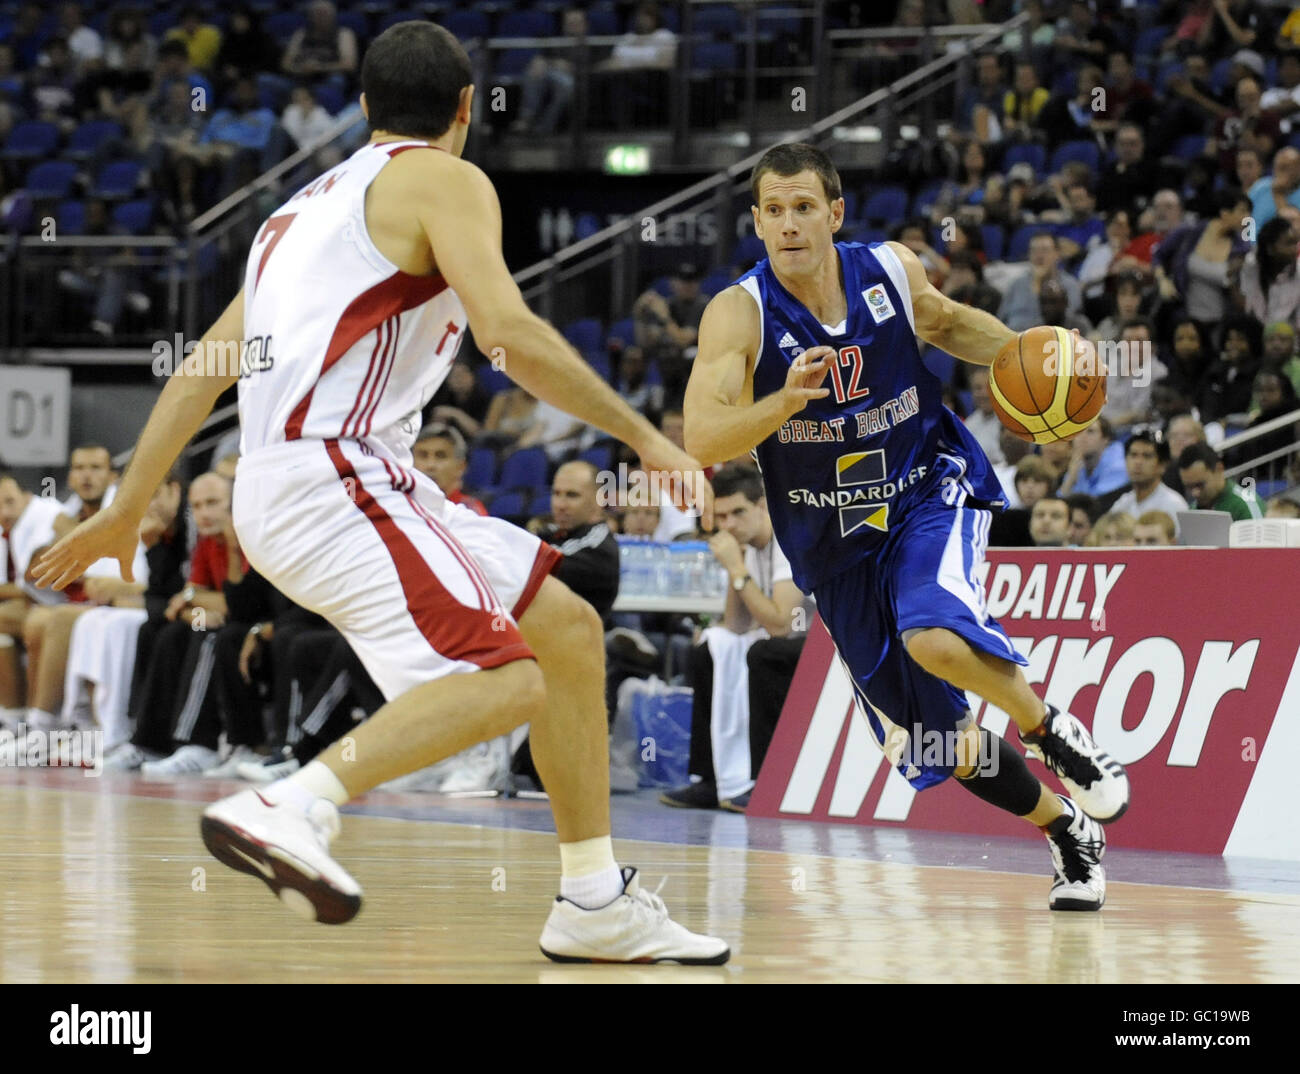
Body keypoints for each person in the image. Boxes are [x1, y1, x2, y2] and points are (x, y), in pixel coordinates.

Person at [37, 21, 724, 965]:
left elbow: (204, 368)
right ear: (467, 110)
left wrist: (126, 502)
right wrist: (645, 434)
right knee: (505, 675)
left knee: (561, 625)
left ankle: (593, 899)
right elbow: (509, 335)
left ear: (361, 108)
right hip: (334, 471)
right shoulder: (448, 178)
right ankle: (291, 803)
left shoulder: (292, 216)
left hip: (295, 480)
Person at [684, 142, 1129, 912]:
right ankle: (1067, 831)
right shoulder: (740, 312)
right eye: (774, 211)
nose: (789, 224)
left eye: (803, 207)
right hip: (832, 544)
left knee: (935, 634)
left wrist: (1038, 361)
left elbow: (950, 325)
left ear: (835, 213)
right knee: (941, 746)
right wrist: (780, 405)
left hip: (926, 485)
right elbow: (702, 436)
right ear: (756, 222)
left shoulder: (889, 267)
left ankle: (1051, 730)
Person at [659, 467, 806, 814]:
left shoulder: (788, 540)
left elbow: (782, 624)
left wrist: (738, 571)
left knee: (764, 652)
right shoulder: (750, 548)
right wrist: (734, 568)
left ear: (763, 507)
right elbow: (737, 625)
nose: (728, 525)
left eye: (737, 513)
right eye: (720, 517)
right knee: (711, 645)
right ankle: (711, 779)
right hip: (781, 644)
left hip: (821, 649)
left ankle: (765, 781)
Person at [997, 232, 1083, 332]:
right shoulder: (1016, 284)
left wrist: (1037, 285)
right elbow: (1000, 319)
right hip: (1012, 340)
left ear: (1057, 254)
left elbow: (1063, 320)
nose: (1039, 256)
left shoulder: (1070, 284)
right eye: (1034, 250)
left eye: (1044, 250)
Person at [1107, 430, 1190, 533]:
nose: (1138, 462)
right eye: (1133, 455)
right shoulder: (1122, 504)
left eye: (1147, 456)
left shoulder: (1174, 505)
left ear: (1162, 465)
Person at [412, 421, 487, 516]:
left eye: (440, 456)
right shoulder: (398, 501)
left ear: (461, 467)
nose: (430, 465)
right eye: (423, 455)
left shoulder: (470, 512)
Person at [1178, 443, 1264, 520]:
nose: (1194, 493)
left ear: (1219, 469)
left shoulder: (1247, 505)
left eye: (1199, 485)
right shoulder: (1192, 510)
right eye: (1188, 487)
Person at [1059, 416, 1128, 498]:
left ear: (1105, 439)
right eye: (1078, 432)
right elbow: (1062, 498)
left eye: (1090, 431)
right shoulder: (1078, 463)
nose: (1082, 438)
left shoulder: (1119, 465)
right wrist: (1071, 477)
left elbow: (1094, 503)